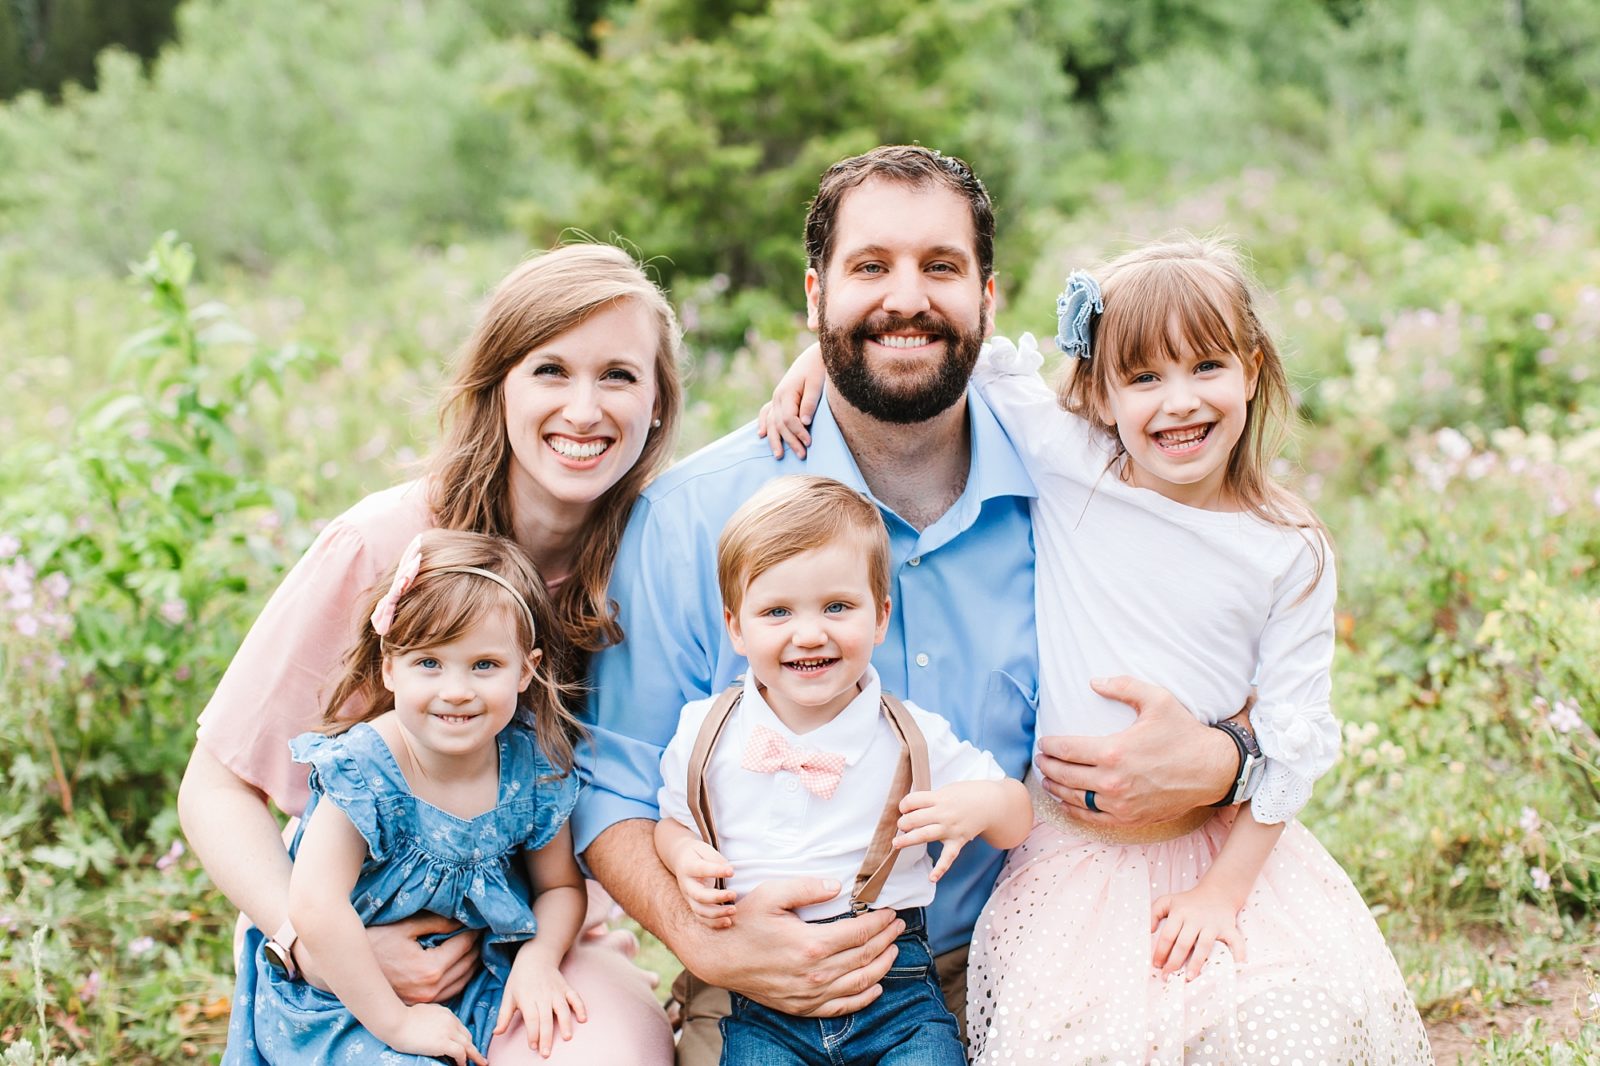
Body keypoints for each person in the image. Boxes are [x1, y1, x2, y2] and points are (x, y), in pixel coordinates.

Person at [576, 145, 1249, 1065]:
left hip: (1043, 958)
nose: (906, 299)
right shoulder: (695, 517)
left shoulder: (1088, 487)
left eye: (940, 267)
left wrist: (1223, 756)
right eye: (870, 268)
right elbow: (612, 786)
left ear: (988, 298)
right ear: (814, 297)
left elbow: (1243, 629)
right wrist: (706, 941)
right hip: (769, 986)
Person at [767, 236, 1433, 1062]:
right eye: (1145, 378)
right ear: (1101, 394)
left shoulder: (1286, 550)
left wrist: (1222, 895)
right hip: (1070, 859)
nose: (1178, 403)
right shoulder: (1072, 461)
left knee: (1279, 1027)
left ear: (1253, 370)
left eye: (1207, 368)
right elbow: (936, 363)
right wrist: (814, 363)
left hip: (1219, 852)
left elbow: (1298, 735)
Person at [180, 243, 682, 1065]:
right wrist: (308, 942)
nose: (586, 410)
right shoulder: (386, 546)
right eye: (551, 370)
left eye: (620, 376)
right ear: (498, 385)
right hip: (346, 929)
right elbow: (216, 785)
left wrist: (811, 371)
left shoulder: (657, 559)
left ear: (658, 401)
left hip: (535, 943)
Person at [654, 476, 1032, 1065]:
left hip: (894, 993)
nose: (810, 633)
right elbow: (672, 822)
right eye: (777, 611)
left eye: (837, 606)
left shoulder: (911, 736)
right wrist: (683, 858)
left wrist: (982, 806)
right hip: (762, 1002)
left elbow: (1016, 817)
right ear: (735, 626)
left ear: (880, 618)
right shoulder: (706, 731)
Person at [224, 530, 588, 1065]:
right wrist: (397, 1023)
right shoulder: (365, 770)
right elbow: (315, 905)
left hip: (472, 982)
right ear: (390, 667)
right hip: (346, 992)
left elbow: (560, 886)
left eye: (484, 665)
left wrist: (539, 959)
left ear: (526, 670)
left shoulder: (529, 769)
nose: (457, 689)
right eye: (429, 663)